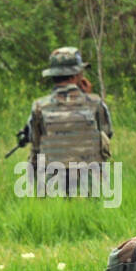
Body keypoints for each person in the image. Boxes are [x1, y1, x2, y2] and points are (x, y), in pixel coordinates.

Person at [25, 47, 112, 192]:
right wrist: (87, 97)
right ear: (74, 76)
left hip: (52, 181)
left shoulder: (39, 106)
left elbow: (35, 141)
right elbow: (106, 133)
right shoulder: (95, 103)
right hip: (90, 181)